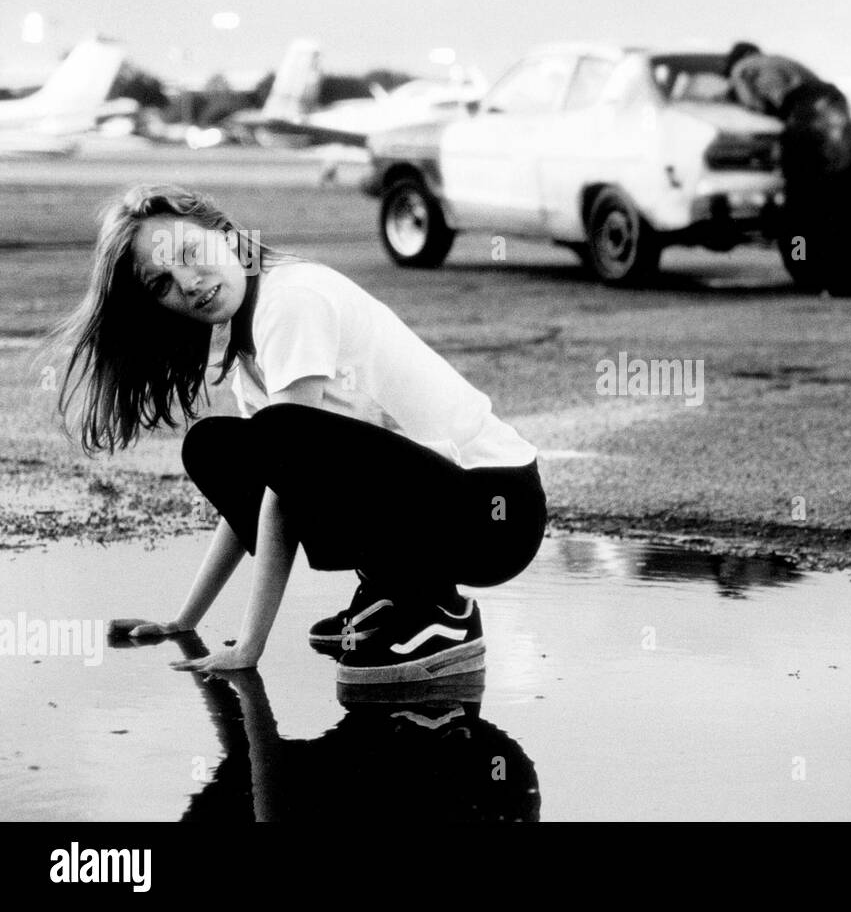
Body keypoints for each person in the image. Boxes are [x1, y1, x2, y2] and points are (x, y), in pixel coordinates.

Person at [55, 184, 546, 686]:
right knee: (215, 447)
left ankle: (438, 614)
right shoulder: (248, 346)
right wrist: (185, 620)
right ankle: (395, 588)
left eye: (189, 252)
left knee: (270, 436)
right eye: (161, 284)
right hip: (446, 508)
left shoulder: (291, 299)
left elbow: (286, 475)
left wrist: (250, 646)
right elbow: (264, 488)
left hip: (496, 513)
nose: (189, 281)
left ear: (223, 233)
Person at [725, 41, 851, 297]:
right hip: (835, 111)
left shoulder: (742, 69)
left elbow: (755, 105)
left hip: (805, 124)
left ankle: (808, 273)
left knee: (801, 215)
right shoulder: (785, 59)